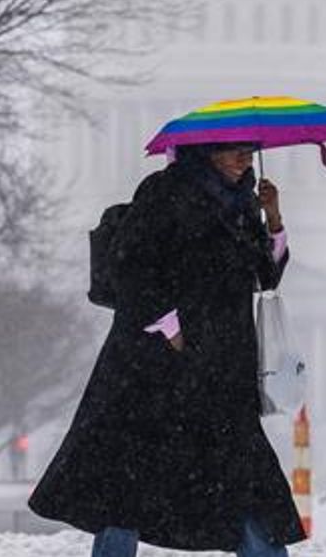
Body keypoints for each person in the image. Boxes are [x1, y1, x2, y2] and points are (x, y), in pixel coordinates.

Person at [29, 141, 305, 557]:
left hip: (224, 369)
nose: (245, 158)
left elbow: (266, 276)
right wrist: (172, 329)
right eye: (235, 151)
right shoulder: (165, 191)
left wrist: (274, 218)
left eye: (249, 151)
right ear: (208, 152)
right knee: (132, 484)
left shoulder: (245, 204)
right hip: (159, 371)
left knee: (247, 482)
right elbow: (130, 263)